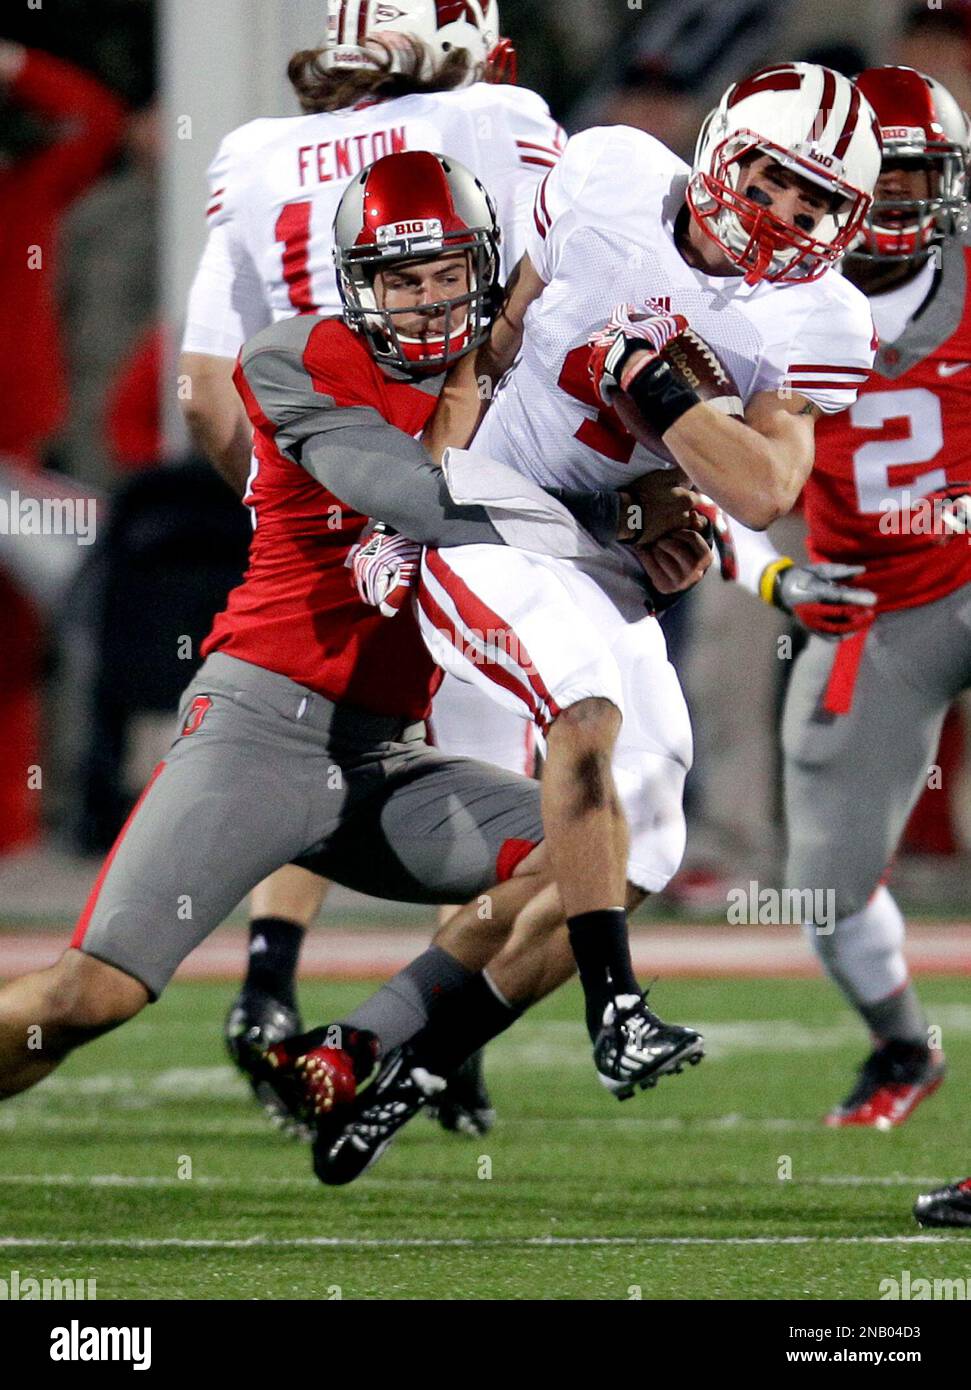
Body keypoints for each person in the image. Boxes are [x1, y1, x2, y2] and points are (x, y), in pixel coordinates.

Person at [249, 62, 883, 1183]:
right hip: (490, 515)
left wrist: (660, 403)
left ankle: (386, 1055)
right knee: (583, 712)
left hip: (600, 554)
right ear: (723, 148)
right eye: (774, 184)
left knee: (645, 838)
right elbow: (494, 339)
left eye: (814, 205)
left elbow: (760, 490)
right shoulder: (604, 176)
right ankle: (616, 1004)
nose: (785, 220)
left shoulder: (818, 313)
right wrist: (422, 486)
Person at [178, 0, 564, 1134]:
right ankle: (441, 1040)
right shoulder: (495, 117)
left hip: (317, 489)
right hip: (470, 479)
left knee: (326, 738)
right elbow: (551, 281)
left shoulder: (254, 155)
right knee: (512, 787)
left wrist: (291, 506)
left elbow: (206, 389)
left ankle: (265, 980)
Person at [727, 65, 971, 1128]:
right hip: (868, 603)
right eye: (874, 177)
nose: (895, 202)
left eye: (915, 177)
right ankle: (900, 1044)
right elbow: (676, 491)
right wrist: (772, 576)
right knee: (820, 885)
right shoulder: (750, 302)